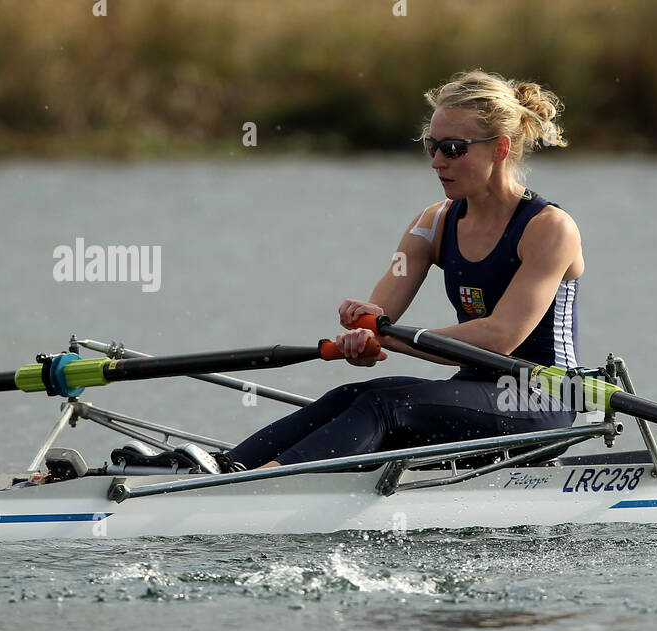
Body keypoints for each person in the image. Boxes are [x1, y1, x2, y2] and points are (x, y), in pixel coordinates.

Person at [227, 70, 585, 471]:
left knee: (386, 406)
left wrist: (387, 335)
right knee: (351, 395)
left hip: (542, 399)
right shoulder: (434, 223)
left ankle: (267, 483)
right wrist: (363, 336)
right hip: (475, 390)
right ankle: (221, 469)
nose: (436, 162)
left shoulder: (549, 229)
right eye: (431, 146)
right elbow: (379, 318)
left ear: (500, 148)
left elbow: (499, 338)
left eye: (452, 148)